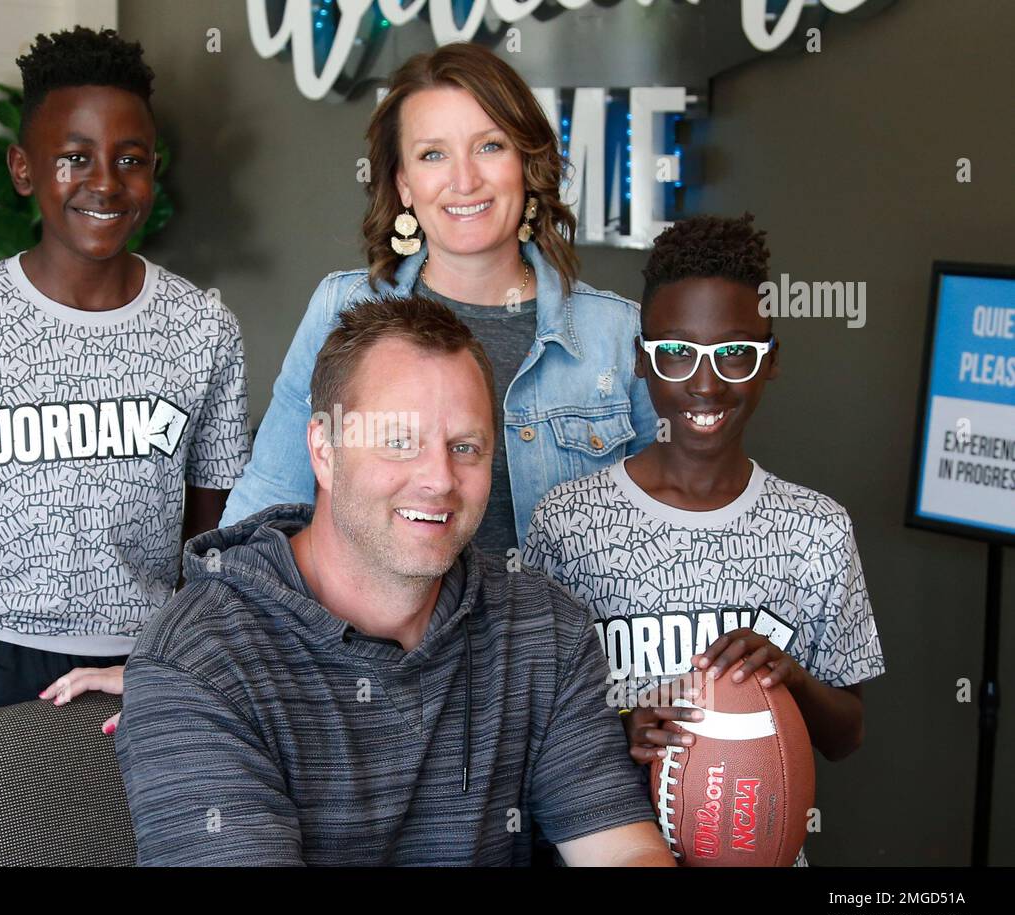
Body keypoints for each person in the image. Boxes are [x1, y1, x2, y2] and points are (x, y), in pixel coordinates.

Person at [0, 27, 249, 866]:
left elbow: (209, 536)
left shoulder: (203, 328)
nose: (105, 182)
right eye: (75, 157)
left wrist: (177, 662)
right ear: (24, 169)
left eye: (132, 158)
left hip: (139, 671)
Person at [114, 295, 674, 866]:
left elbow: (623, 849)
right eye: (399, 442)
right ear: (324, 451)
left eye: (465, 448)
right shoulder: (200, 660)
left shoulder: (542, 626)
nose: (439, 479)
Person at [522, 214, 885, 865]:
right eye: (676, 352)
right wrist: (625, 722)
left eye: (735, 352)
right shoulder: (569, 522)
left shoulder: (818, 529)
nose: (706, 382)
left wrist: (793, 681)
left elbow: (846, 736)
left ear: (770, 360)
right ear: (641, 358)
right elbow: (534, 727)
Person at [220, 42, 658, 559]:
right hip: (377, 640)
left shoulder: (615, 333)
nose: (464, 179)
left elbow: (663, 536)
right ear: (404, 183)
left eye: (490, 146)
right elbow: (264, 512)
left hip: (565, 637)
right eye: (433, 154)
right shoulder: (342, 309)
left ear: (526, 162)